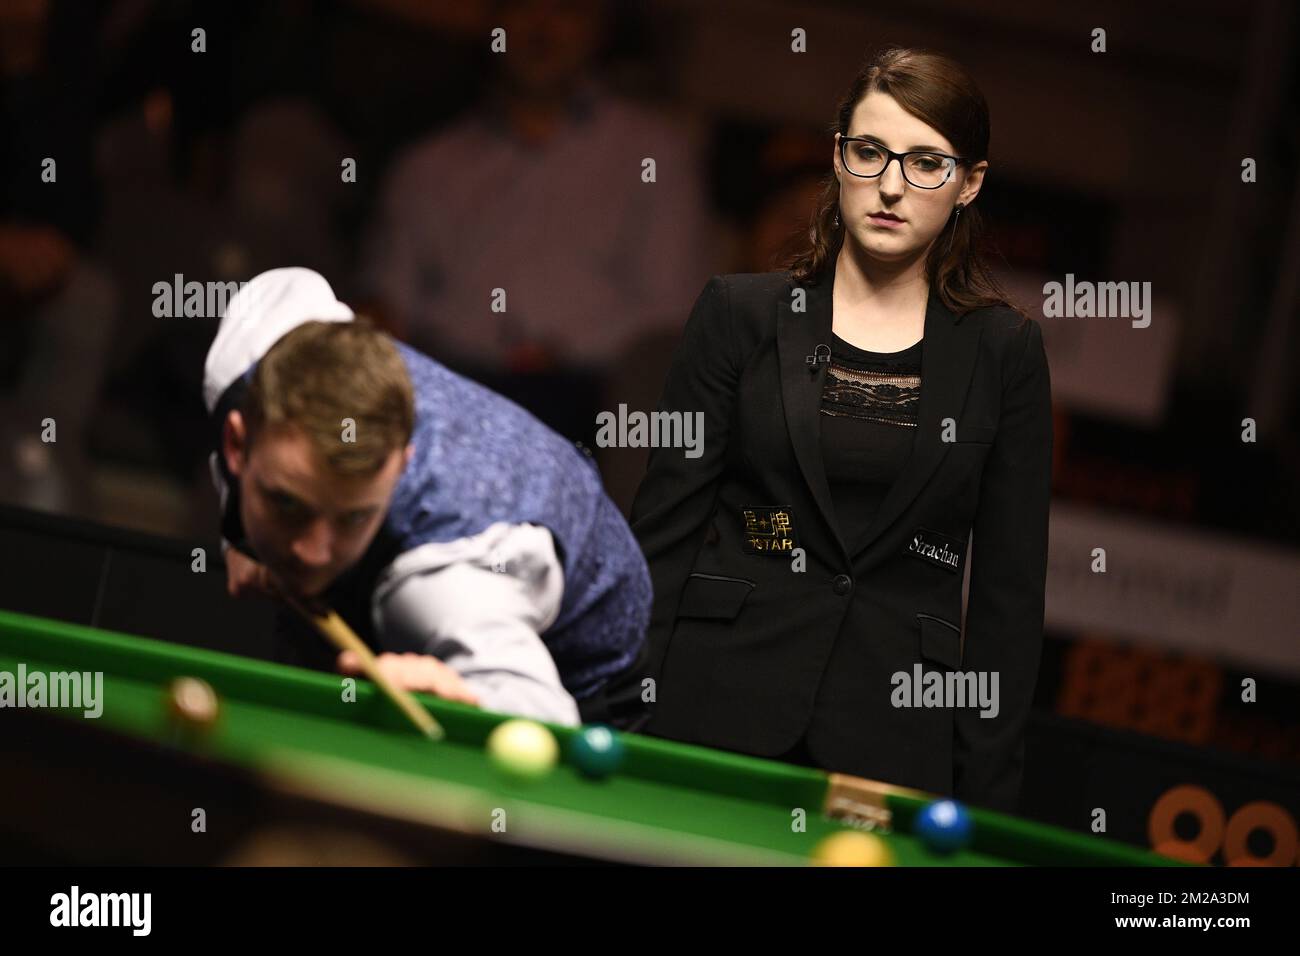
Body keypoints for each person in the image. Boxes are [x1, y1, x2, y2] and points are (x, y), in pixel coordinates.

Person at [628, 47, 1053, 813]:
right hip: (711, 700)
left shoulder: (1005, 354)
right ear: (838, 158)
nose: (891, 185)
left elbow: (1008, 603)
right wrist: (624, 710)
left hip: (890, 735)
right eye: (870, 152)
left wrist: (986, 800)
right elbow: (664, 534)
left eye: (927, 163)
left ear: (969, 184)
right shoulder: (738, 313)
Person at [203, 267, 652, 727]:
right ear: (239, 445)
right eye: (288, 504)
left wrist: (469, 703)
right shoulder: (255, 353)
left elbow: (543, 717)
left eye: (354, 518)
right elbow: (290, 285)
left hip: (578, 679)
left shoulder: (443, 581)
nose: (312, 550)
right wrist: (236, 531)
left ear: (401, 466)